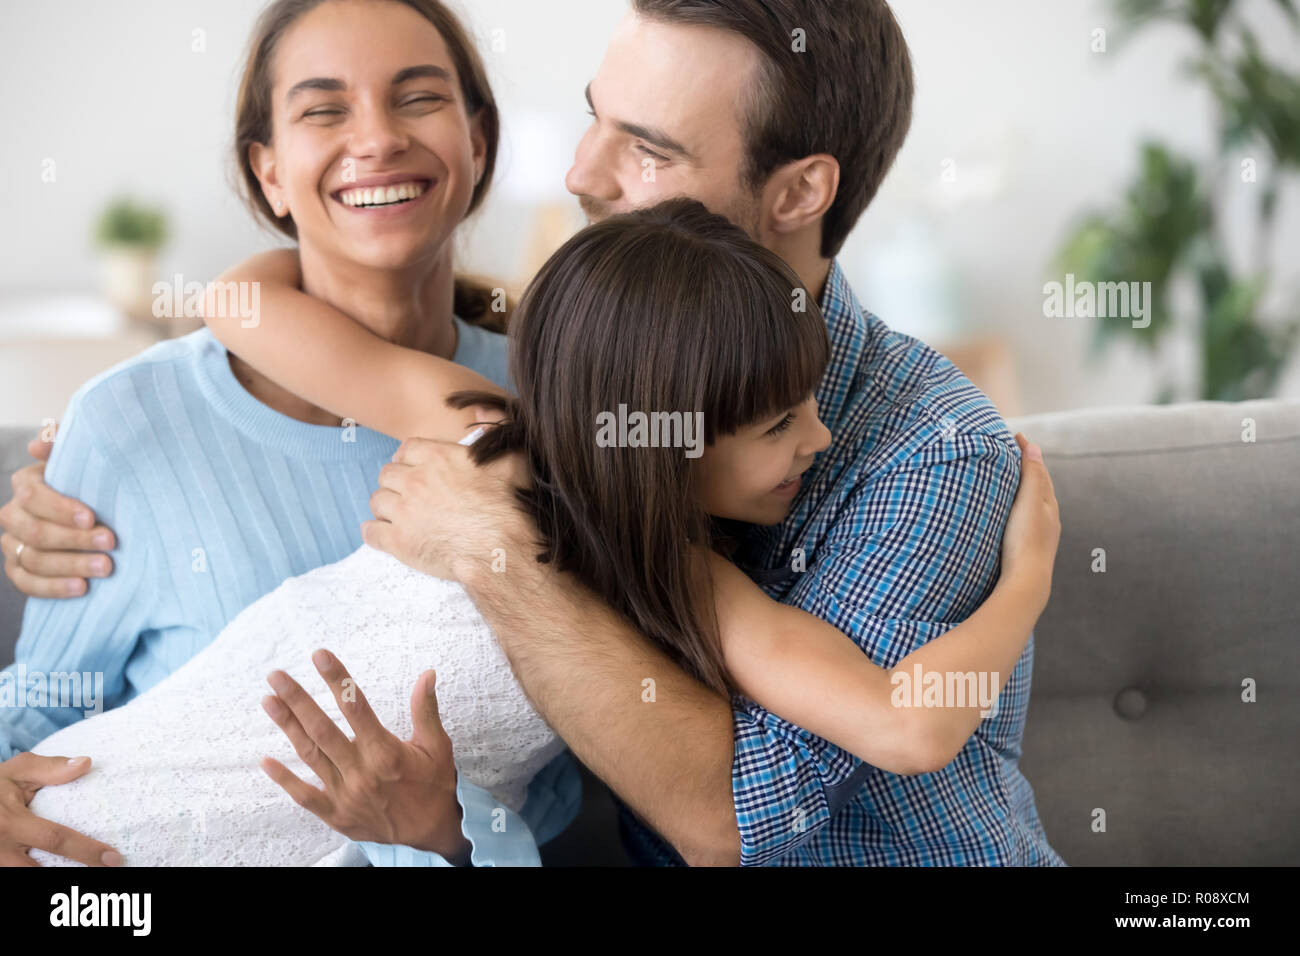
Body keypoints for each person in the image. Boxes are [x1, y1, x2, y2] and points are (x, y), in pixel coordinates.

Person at [3, 0, 1066, 867]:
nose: (581, 173)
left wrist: (497, 557)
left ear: (799, 192)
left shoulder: (914, 454)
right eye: (598, 119)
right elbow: (254, 312)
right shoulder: (531, 413)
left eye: (644, 148)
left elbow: (753, 809)